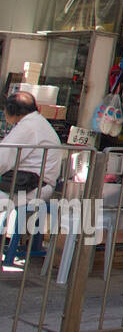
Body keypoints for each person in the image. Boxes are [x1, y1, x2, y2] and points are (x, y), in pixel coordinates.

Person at [0, 91, 64, 268]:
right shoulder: (36, 123)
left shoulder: (28, 127)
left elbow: (3, 158)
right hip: (33, 184)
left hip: (32, 187)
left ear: (13, 111)